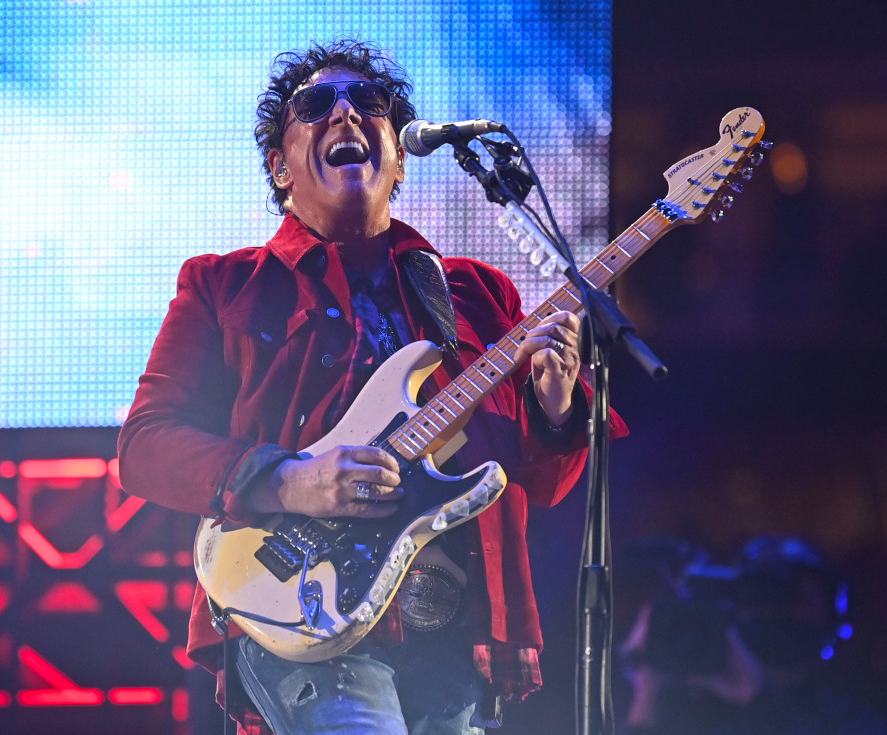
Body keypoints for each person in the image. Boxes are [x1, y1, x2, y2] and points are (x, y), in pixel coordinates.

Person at [117, 39, 627, 735]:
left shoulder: (476, 294)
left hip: (453, 631)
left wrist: (556, 406)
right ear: (280, 167)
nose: (347, 112)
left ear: (398, 159)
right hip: (305, 607)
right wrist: (289, 480)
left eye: (370, 101)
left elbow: (535, 483)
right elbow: (145, 446)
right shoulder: (224, 284)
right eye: (316, 104)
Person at [618, 535, 887, 735]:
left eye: (802, 600)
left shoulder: (849, 720)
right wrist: (647, 695)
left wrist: (757, 699)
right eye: (763, 597)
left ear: (831, 612)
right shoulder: (690, 713)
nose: (780, 611)